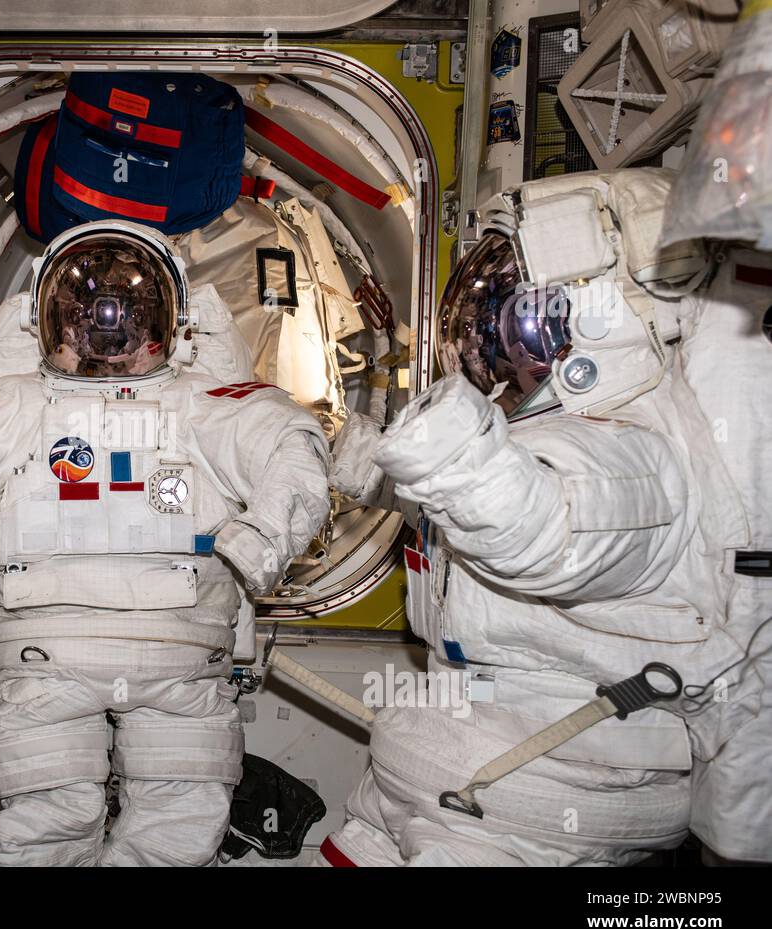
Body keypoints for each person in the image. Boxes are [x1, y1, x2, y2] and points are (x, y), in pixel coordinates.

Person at [327, 169, 771, 866]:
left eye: (520, 327)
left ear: (603, 326)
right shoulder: (544, 446)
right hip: (455, 764)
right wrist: (366, 466)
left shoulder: (636, 455)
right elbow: (472, 519)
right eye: (490, 323)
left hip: (527, 797)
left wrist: (448, 450)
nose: (493, 349)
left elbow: (542, 530)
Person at [0, 220, 331, 866]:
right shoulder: (17, 404)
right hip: (109, 653)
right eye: (89, 312)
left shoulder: (207, 403)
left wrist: (262, 540)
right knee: (147, 823)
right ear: (50, 324)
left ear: (170, 323)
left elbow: (295, 447)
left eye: (127, 312)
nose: (109, 330)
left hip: (96, 651)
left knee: (97, 821)